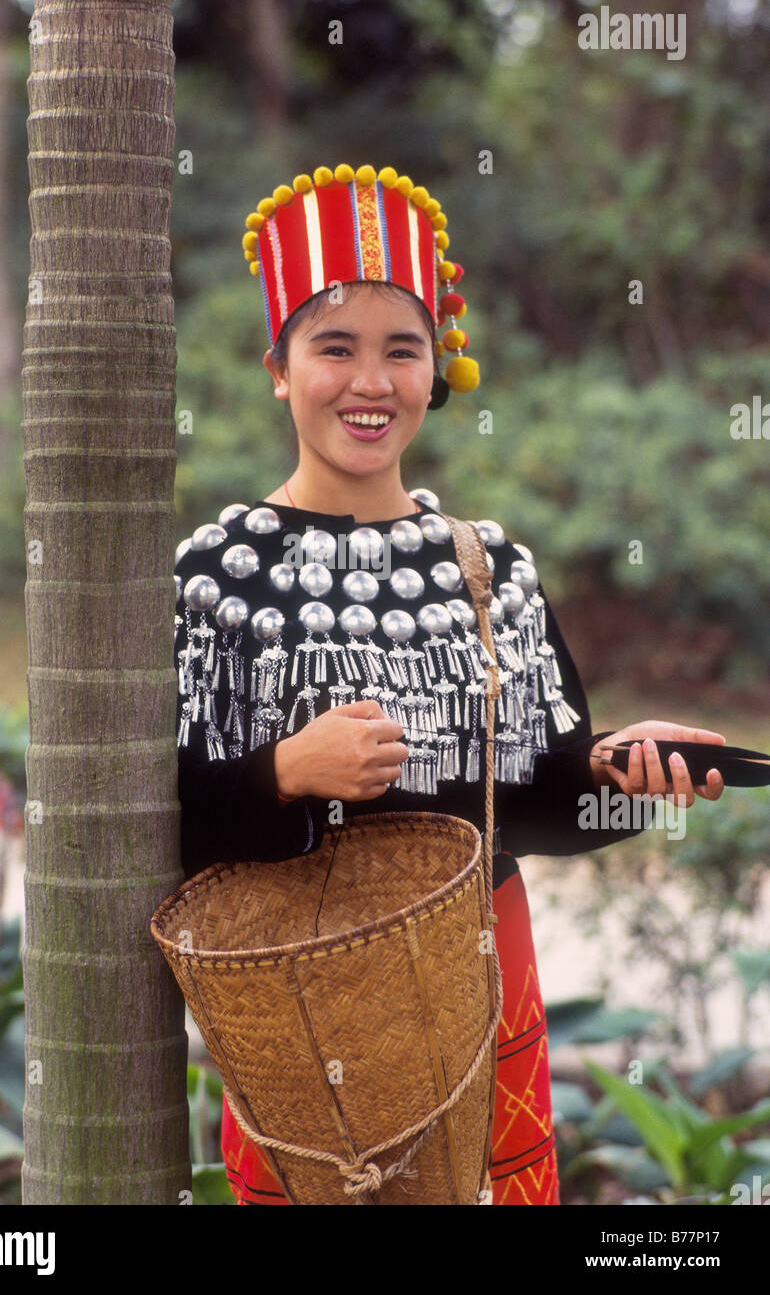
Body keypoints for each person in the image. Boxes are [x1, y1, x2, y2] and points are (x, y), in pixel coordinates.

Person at [173, 162, 726, 1205]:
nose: (368, 382)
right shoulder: (214, 581)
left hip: (479, 999)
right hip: (297, 1019)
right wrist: (283, 772)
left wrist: (626, 775)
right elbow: (153, 827)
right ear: (278, 370)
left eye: (401, 350)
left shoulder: (491, 571)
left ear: (438, 370)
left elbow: (536, 806)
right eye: (332, 348)